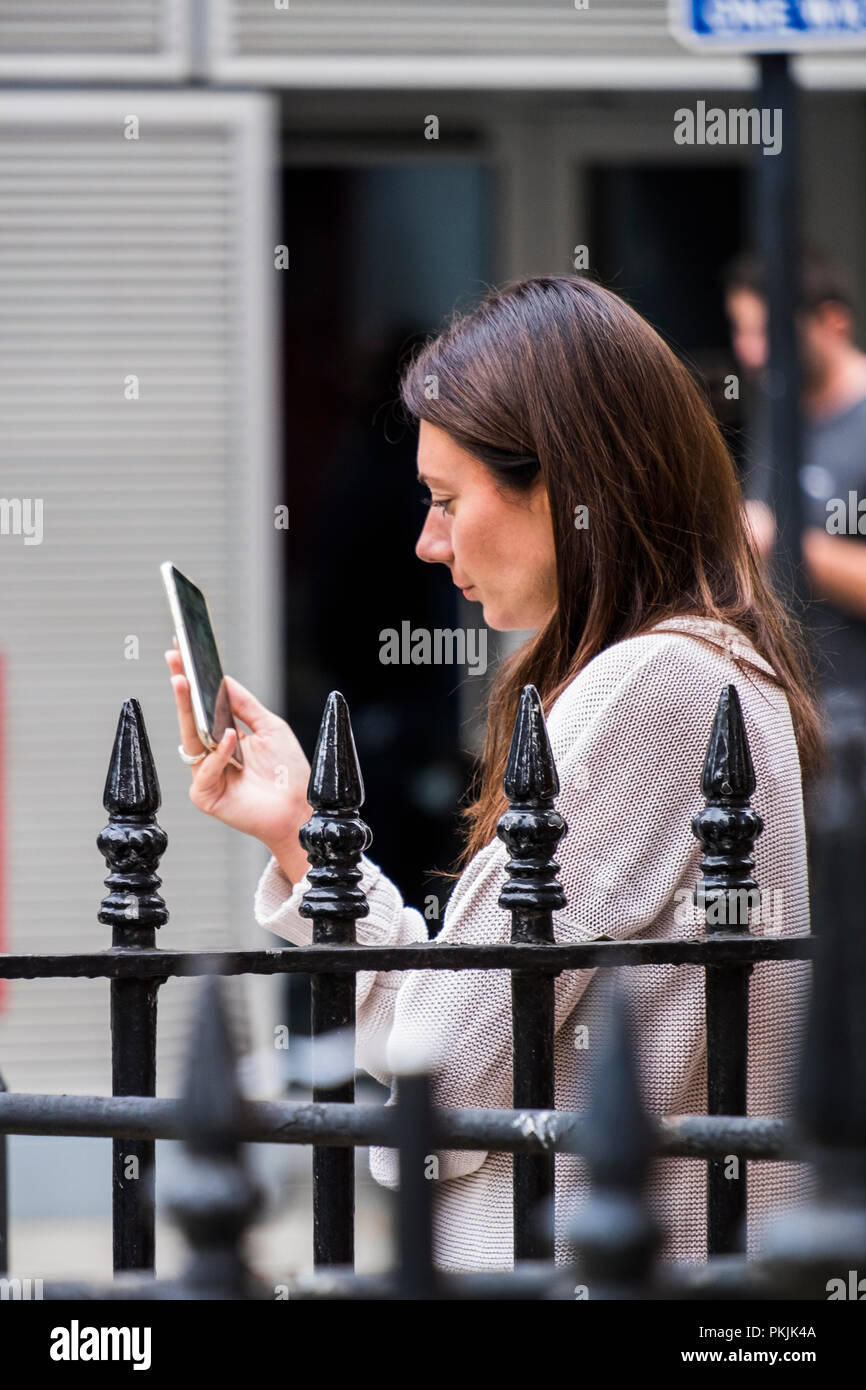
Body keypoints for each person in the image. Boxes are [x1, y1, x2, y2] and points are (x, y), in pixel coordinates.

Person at [166, 274, 825, 1273]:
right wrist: (298, 830)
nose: (427, 542)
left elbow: (440, 1065)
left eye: (443, 499)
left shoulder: (648, 682)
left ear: (565, 486)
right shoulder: (708, 665)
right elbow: (465, 1016)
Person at [725, 248, 866, 713]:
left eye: (766, 329)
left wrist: (783, 543)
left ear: (833, 324)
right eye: (741, 329)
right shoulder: (779, 414)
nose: (749, 349)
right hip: (792, 710)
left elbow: (769, 536)